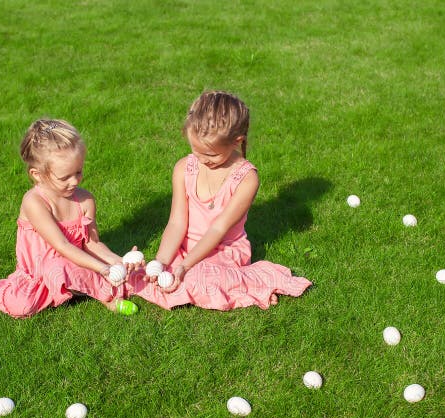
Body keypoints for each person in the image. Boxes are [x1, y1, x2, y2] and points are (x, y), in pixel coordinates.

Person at [130, 91, 312, 310]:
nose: (203, 160)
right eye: (196, 151)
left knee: (199, 279)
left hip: (223, 250)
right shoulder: (183, 169)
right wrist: (161, 262)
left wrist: (185, 266)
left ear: (237, 142)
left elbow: (218, 229)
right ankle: (228, 286)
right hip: (187, 248)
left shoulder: (246, 179)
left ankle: (254, 281)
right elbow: (177, 223)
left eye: (211, 155)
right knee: (144, 279)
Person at [0, 118, 138, 317]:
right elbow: (62, 246)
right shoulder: (34, 202)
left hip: (75, 265)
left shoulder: (85, 201)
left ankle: (91, 290)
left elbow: (93, 244)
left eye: (78, 172)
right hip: (40, 274)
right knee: (23, 305)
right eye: (65, 177)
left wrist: (117, 261)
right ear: (37, 175)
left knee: (83, 271)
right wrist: (103, 269)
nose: (75, 181)